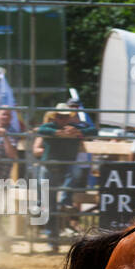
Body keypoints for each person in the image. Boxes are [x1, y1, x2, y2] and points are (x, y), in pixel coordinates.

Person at [34, 102, 97, 250]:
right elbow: (42, 130)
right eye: (60, 116)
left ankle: (65, 201)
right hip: (50, 167)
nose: (63, 119)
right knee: (47, 204)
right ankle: (52, 239)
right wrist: (60, 133)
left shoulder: (78, 128)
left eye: (66, 116)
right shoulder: (50, 127)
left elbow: (93, 131)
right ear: (55, 117)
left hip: (65, 167)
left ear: (69, 117)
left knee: (75, 170)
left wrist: (77, 132)